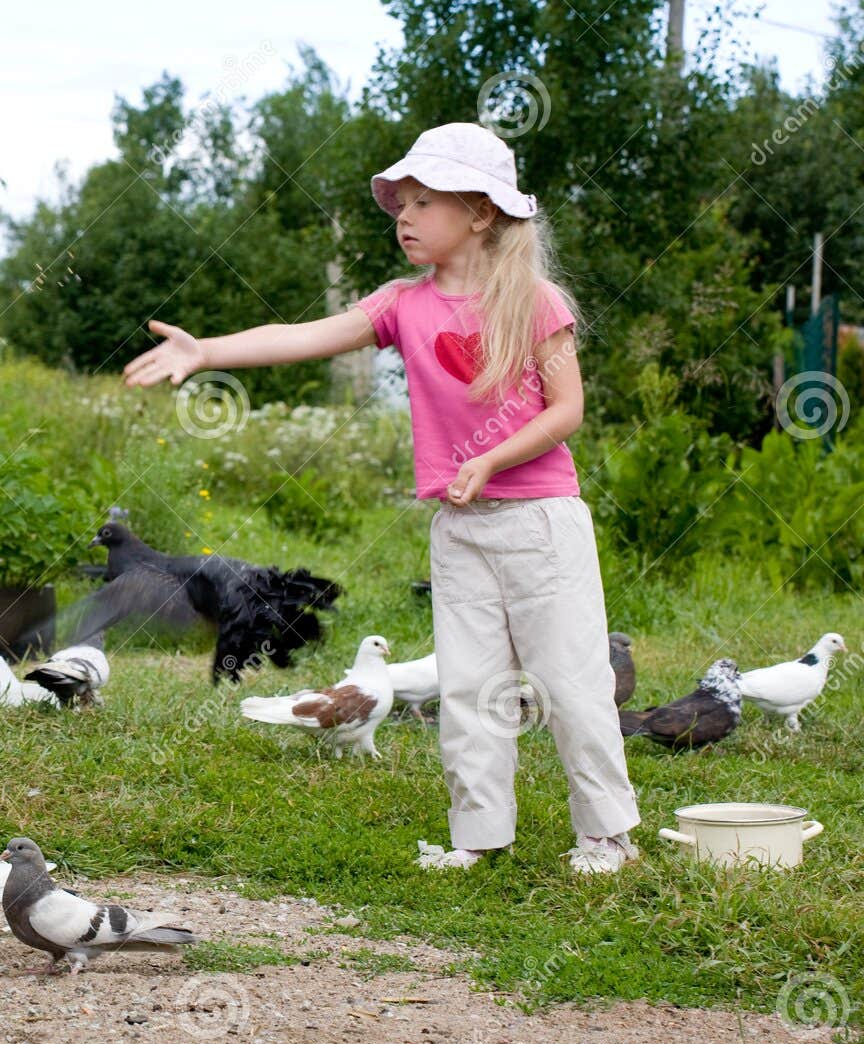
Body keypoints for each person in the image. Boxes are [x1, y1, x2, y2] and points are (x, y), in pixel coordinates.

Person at [122, 122, 639, 874]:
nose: (404, 216)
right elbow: (301, 336)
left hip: (541, 524)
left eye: (424, 202)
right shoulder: (402, 303)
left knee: (570, 681)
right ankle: (478, 834)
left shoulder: (535, 301)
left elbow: (567, 410)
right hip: (459, 528)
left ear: (481, 212)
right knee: (468, 686)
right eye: (402, 202)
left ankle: (606, 833)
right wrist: (208, 351)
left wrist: (491, 458)